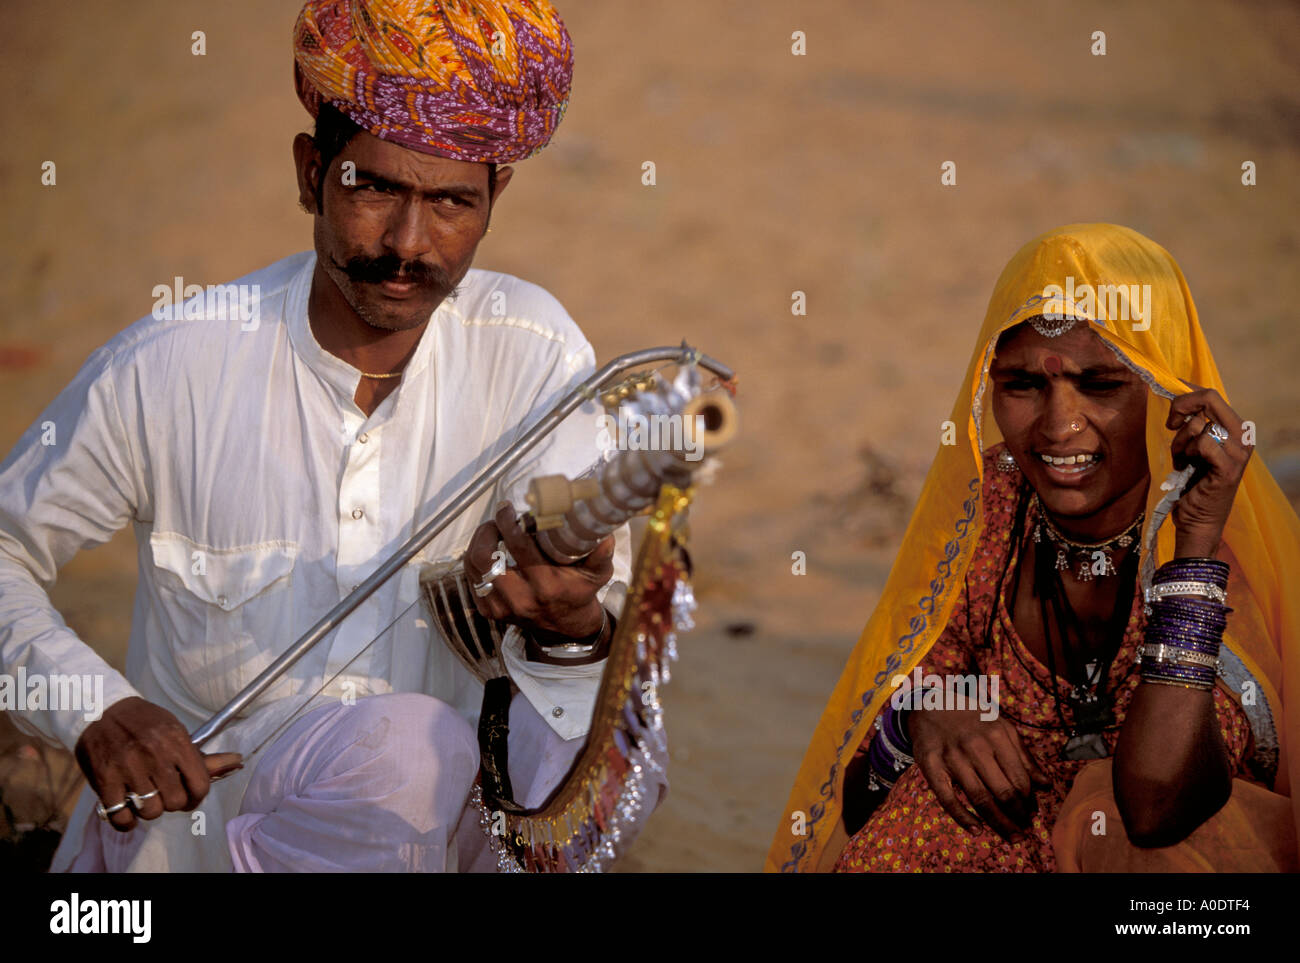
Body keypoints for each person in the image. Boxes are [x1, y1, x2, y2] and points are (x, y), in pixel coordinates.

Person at [0, 0, 653, 872]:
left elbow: (603, 698)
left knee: (604, 759)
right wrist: (95, 709)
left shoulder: (536, 359)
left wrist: (572, 630)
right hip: (178, 855)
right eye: (374, 188)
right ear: (313, 173)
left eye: (452, 202)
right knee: (407, 749)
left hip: (434, 840)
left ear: (496, 198)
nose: (408, 243)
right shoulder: (172, 364)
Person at [770, 223, 1300, 873]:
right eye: (1023, 384)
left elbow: (1159, 805)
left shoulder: (1212, 536)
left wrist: (1192, 553)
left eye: (1102, 383)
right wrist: (920, 713)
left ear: (1166, 388)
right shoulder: (992, 502)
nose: (1059, 425)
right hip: (1004, 836)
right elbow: (858, 803)